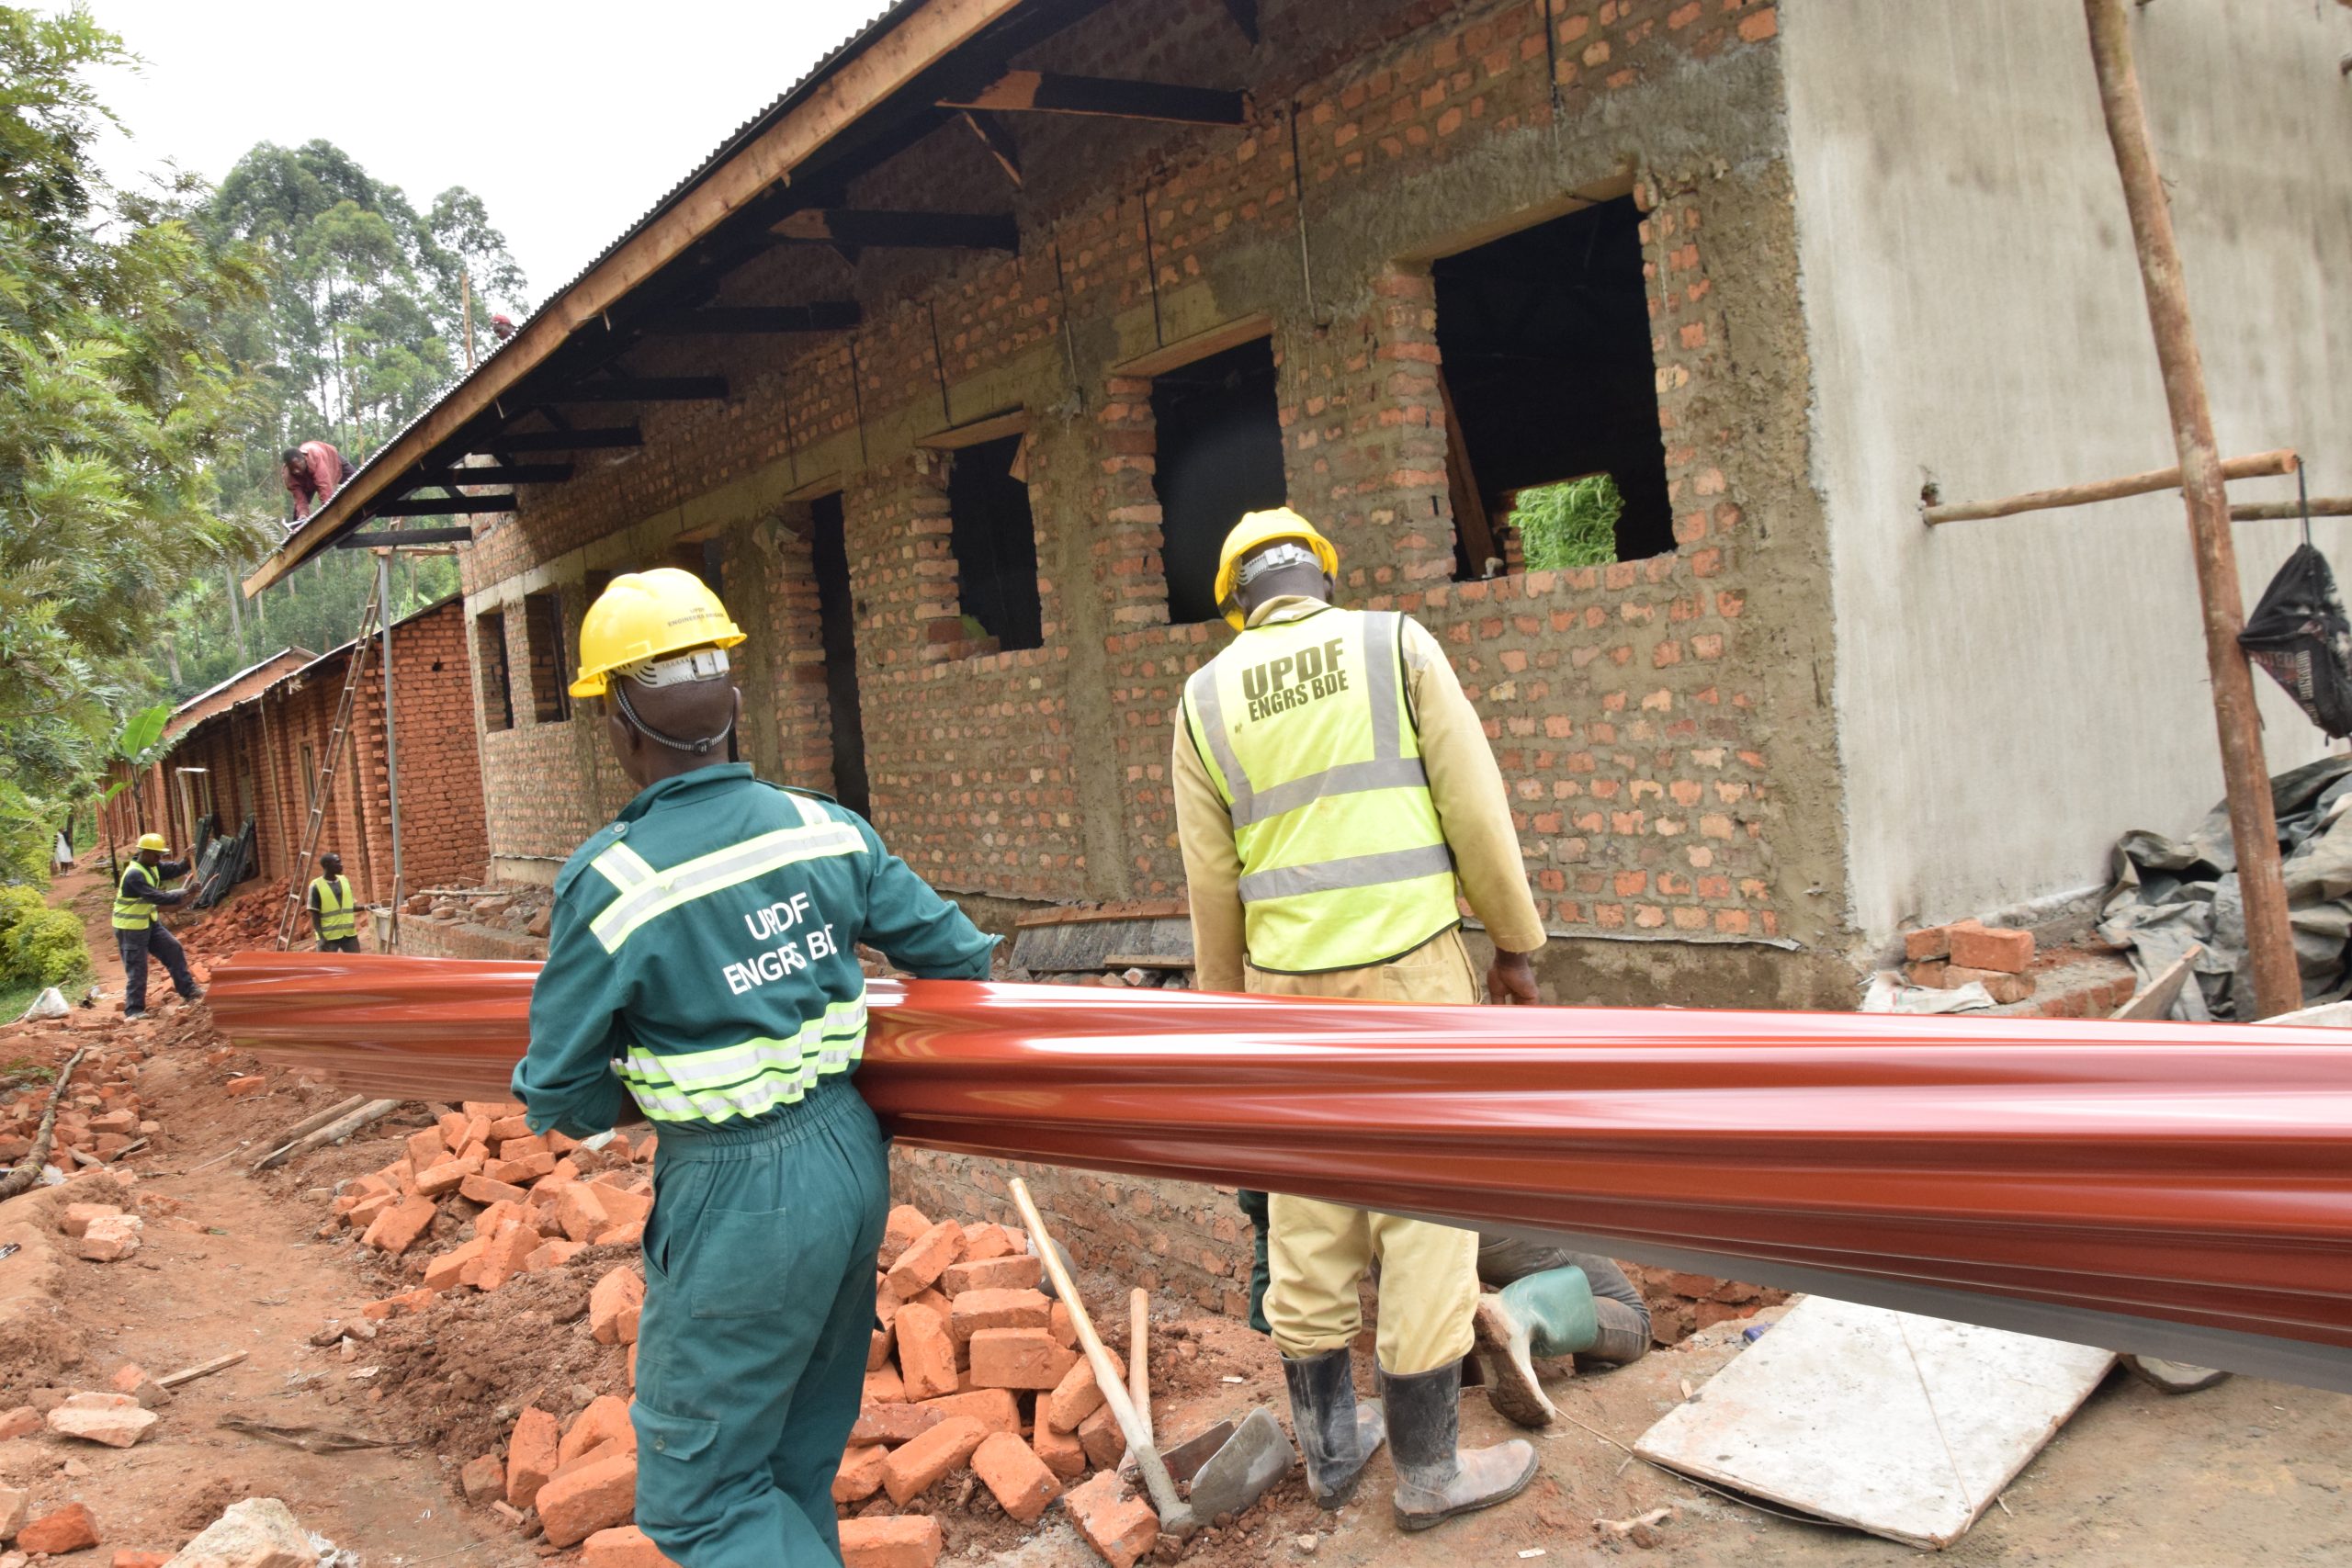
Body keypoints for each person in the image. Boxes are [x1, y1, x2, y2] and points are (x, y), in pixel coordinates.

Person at [511, 568, 996, 1568]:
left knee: (697, 1501)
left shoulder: (614, 881)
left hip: (736, 1193)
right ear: (733, 703)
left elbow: (558, 1087)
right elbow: (960, 959)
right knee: (784, 1465)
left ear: (618, 724)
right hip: (850, 1161)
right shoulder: (827, 829)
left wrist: (648, 1086)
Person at [1174, 507, 1555, 1530]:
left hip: (1284, 995)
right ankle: (1430, 1472)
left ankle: (1333, 1454)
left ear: (1235, 604)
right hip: (1409, 978)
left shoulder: (1205, 699)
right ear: (1321, 576)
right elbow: (1476, 809)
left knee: (1309, 1207)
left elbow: (1212, 884)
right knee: (1423, 1210)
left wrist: (1226, 1021)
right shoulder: (1393, 645)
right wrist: (1513, 944)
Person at [113, 832, 200, 1021]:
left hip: (148, 921)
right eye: (155, 855)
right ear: (144, 852)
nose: (158, 858)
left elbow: (174, 869)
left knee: (173, 949)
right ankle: (134, 1010)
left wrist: (186, 860)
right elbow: (156, 897)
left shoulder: (152, 866)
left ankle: (189, 990)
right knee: (138, 967)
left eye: (160, 855)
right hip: (130, 927)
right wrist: (186, 893)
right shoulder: (134, 874)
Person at [307, 852, 362, 953]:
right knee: (326, 966)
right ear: (327, 865)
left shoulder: (344, 880)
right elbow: (315, 914)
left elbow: (350, 907)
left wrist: (367, 907)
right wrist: (321, 937)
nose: (341, 864)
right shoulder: (315, 886)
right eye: (337, 862)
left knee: (357, 964)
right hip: (328, 937)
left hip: (349, 934)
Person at [281, 439, 347, 522]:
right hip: (306, 483)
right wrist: (303, 514)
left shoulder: (315, 458)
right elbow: (299, 498)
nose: (296, 471)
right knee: (298, 515)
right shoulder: (289, 476)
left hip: (331, 459)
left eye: (297, 466)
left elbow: (325, 488)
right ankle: (299, 531)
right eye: (292, 468)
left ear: (304, 459)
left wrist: (328, 512)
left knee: (358, 482)